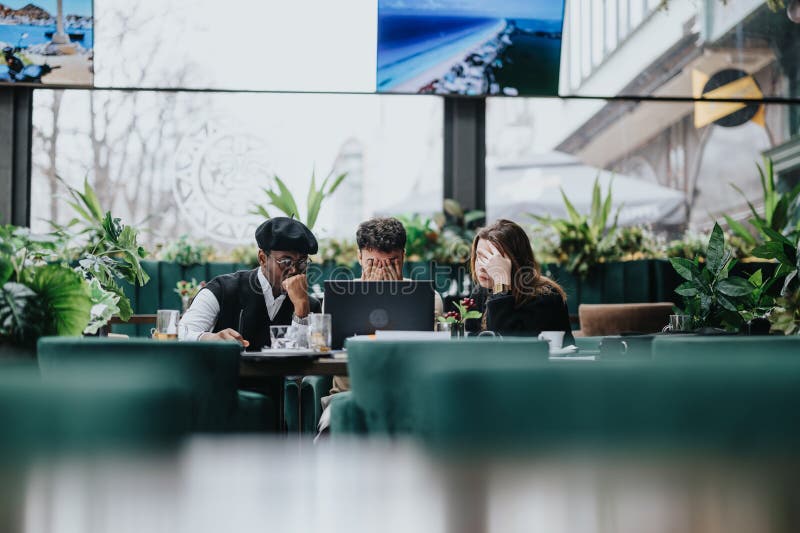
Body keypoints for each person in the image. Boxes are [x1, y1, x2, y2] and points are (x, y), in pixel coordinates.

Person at [316, 217, 443, 438]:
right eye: (373, 262)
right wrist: (367, 295)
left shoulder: (428, 298)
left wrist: (396, 297)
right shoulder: (339, 297)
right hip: (348, 393)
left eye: (392, 261)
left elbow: (420, 354)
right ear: (359, 257)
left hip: (407, 394)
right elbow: (330, 347)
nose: (382, 269)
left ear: (403, 256)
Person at [179, 217, 321, 350]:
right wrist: (211, 338)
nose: (294, 270)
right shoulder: (222, 290)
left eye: (302, 262)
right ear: (262, 258)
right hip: (226, 376)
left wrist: (301, 312)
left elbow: (299, 370)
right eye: (286, 261)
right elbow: (181, 334)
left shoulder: (310, 306)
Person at [470, 218, 574, 344]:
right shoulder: (480, 293)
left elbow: (509, 349)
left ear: (516, 261)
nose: (481, 267)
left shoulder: (546, 297)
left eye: (492, 259)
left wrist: (501, 283)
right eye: (479, 257)